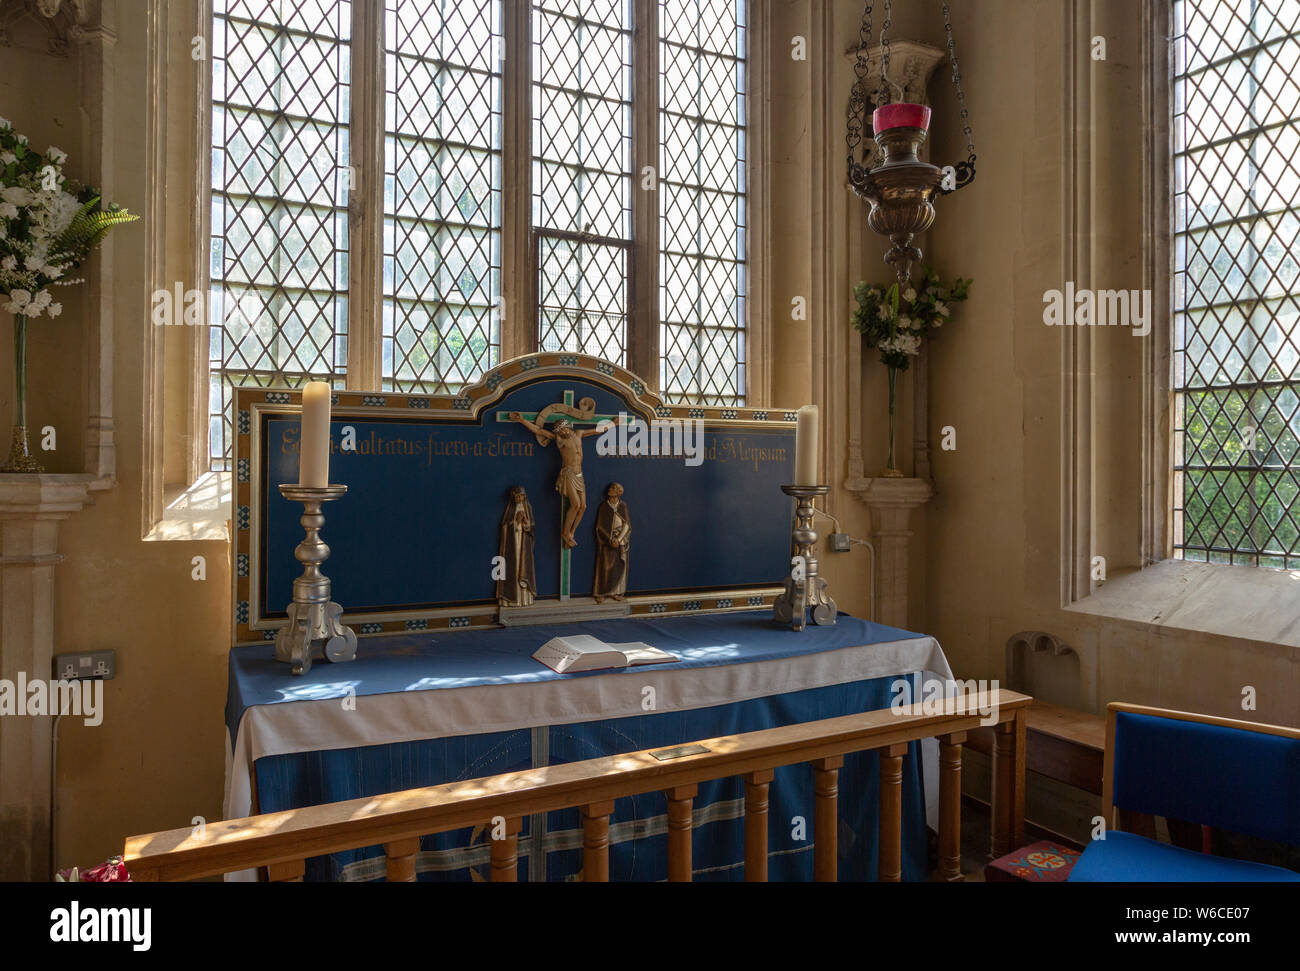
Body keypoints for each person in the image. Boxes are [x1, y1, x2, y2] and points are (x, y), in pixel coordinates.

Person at [593, 482, 630, 603]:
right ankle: (602, 592)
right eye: (610, 487)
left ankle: (617, 592)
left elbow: (627, 525)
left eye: (613, 488)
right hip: (607, 542)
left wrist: (619, 539)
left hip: (620, 540)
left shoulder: (623, 506)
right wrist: (609, 539)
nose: (610, 489)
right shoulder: (604, 506)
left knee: (620, 565)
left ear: (619, 492)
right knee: (605, 567)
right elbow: (599, 527)